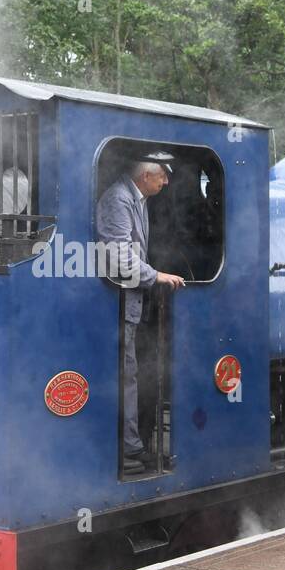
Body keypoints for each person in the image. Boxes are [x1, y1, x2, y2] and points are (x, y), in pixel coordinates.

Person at [96, 155, 185, 471]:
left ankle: (133, 445)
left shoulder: (137, 199)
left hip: (132, 302)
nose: (165, 183)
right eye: (161, 176)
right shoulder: (118, 201)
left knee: (133, 374)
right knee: (125, 375)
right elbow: (119, 256)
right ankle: (127, 450)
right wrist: (156, 276)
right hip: (117, 303)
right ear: (146, 176)